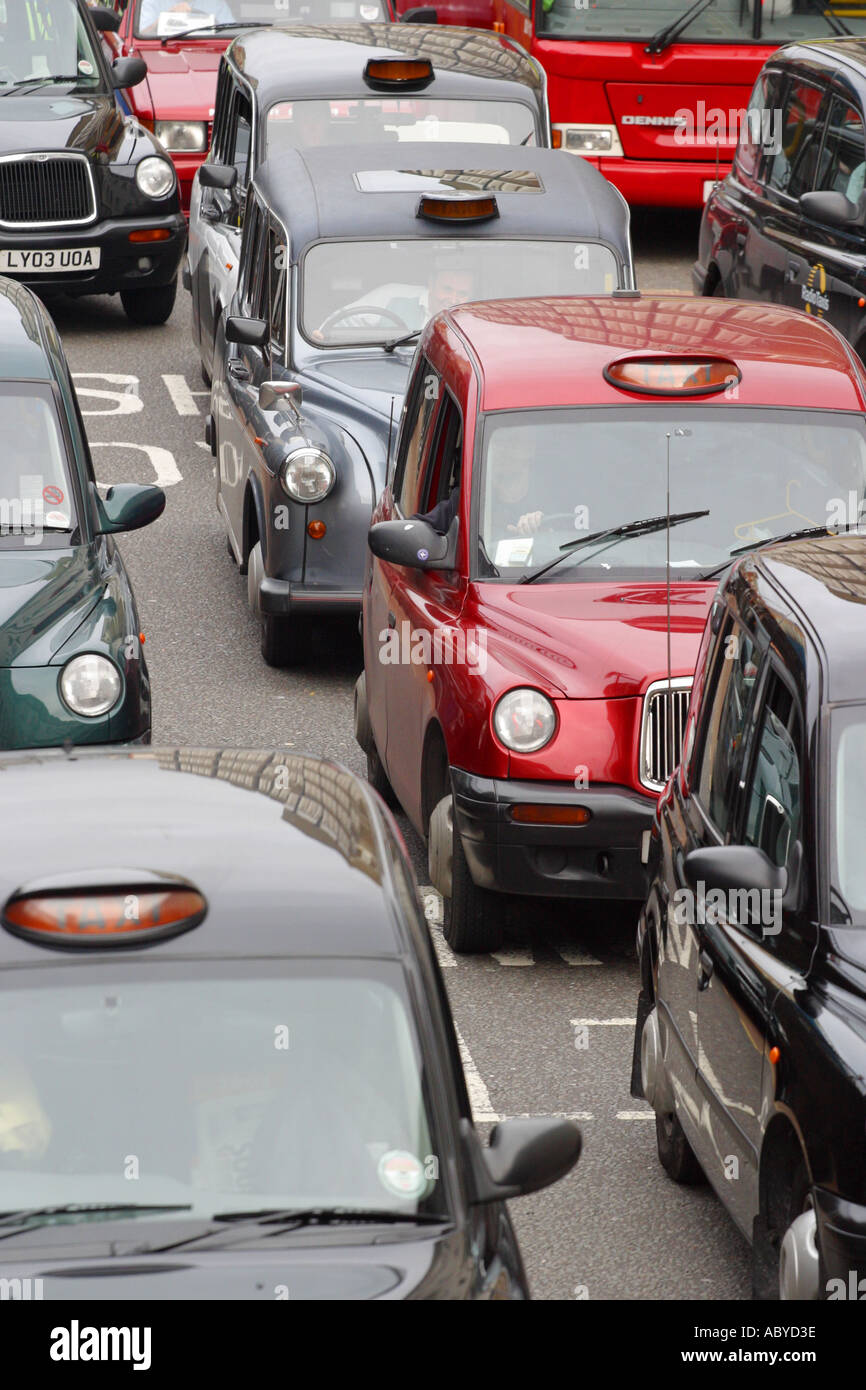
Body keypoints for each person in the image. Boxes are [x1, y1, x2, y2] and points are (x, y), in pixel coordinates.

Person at [139, 0, 237, 35]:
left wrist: (215, 24)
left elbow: (232, 33)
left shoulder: (215, 3)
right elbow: (142, 34)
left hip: (208, 50)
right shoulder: (152, 2)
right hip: (164, 50)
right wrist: (167, 16)